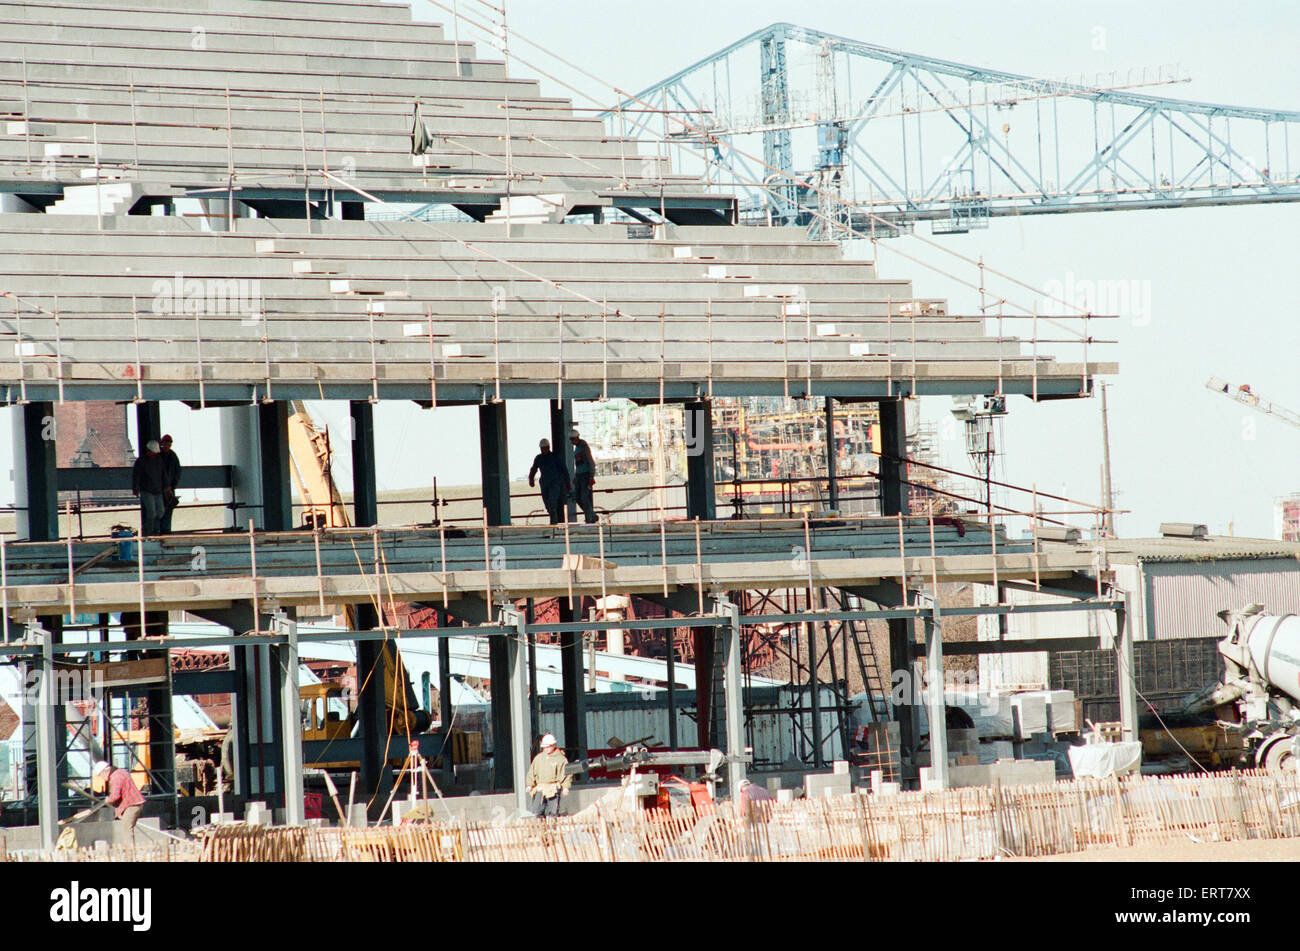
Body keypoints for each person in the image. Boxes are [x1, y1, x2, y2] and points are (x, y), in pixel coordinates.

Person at [92, 760, 145, 843]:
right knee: (128, 828)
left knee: (126, 830)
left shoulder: (115, 777)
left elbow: (115, 796)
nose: (102, 778)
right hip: (135, 803)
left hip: (131, 805)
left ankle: (130, 853)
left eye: (101, 775)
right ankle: (130, 851)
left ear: (105, 771)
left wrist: (107, 800)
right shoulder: (120, 772)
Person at [525, 733, 571, 818]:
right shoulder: (539, 758)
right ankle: (540, 828)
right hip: (540, 788)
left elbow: (566, 774)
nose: (546, 749)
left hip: (553, 789)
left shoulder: (561, 759)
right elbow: (532, 772)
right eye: (544, 747)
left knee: (553, 812)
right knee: (536, 811)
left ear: (553, 745)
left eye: (548, 746)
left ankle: (552, 828)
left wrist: (565, 787)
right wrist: (530, 784)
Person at [527, 438, 571, 524]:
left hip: (555, 483)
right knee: (548, 504)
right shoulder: (538, 458)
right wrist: (531, 479)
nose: (543, 450)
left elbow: (564, 469)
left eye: (544, 448)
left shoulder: (555, 457)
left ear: (548, 447)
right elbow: (533, 469)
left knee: (552, 503)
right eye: (542, 448)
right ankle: (554, 520)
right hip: (544, 484)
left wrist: (567, 482)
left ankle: (554, 523)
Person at [131, 440, 168, 536]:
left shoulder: (159, 460)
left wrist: (167, 486)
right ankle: (149, 532)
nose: (153, 454)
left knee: (161, 511)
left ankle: (152, 529)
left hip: (157, 490)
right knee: (151, 512)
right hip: (146, 490)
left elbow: (164, 474)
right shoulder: (141, 461)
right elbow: (136, 476)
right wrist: (136, 488)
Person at [569, 428, 598, 524]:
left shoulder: (583, 446)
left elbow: (590, 461)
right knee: (578, 497)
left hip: (585, 475)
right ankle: (591, 515)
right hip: (579, 475)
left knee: (584, 497)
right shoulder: (577, 447)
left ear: (576, 438)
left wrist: (591, 476)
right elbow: (578, 464)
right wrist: (576, 476)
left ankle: (591, 516)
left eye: (572, 439)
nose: (571, 442)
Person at [158, 434, 182, 533]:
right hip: (159, 488)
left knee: (167, 508)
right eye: (166, 443)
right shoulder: (161, 456)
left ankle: (165, 529)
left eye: (168, 443)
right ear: (162, 443)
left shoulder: (172, 456)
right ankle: (160, 529)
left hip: (168, 488)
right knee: (160, 509)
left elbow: (178, 472)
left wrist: (172, 486)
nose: (167, 445)